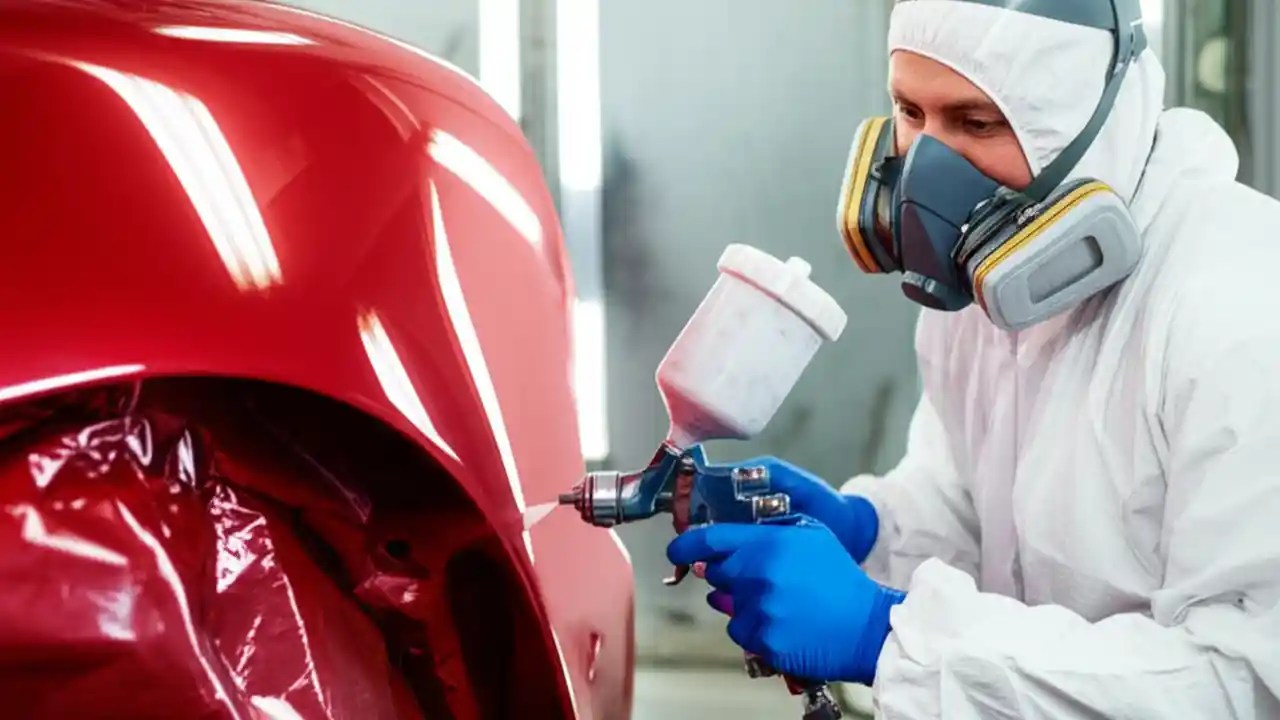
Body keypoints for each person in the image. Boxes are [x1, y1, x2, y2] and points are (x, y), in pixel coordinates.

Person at [667, 0, 1280, 716]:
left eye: (976, 123)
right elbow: (969, 506)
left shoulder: (1240, 301)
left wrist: (886, 638)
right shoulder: (989, 285)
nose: (927, 171)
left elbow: (1244, 680)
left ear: (1090, 122)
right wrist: (869, 529)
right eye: (910, 111)